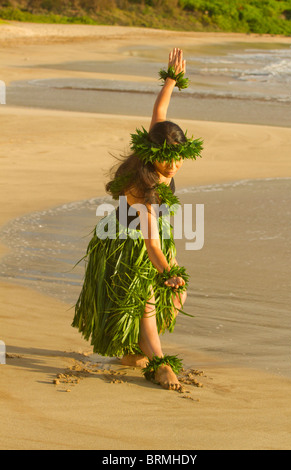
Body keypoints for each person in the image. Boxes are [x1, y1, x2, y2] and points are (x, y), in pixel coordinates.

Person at [72, 48, 203, 391]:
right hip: (123, 241)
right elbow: (151, 245)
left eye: (179, 159)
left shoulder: (157, 145)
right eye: (167, 161)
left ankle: (133, 351)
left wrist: (172, 79)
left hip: (154, 230)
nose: (173, 167)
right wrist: (168, 271)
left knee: (178, 297)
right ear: (153, 154)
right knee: (144, 295)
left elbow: (159, 112)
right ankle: (160, 365)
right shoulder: (140, 187)